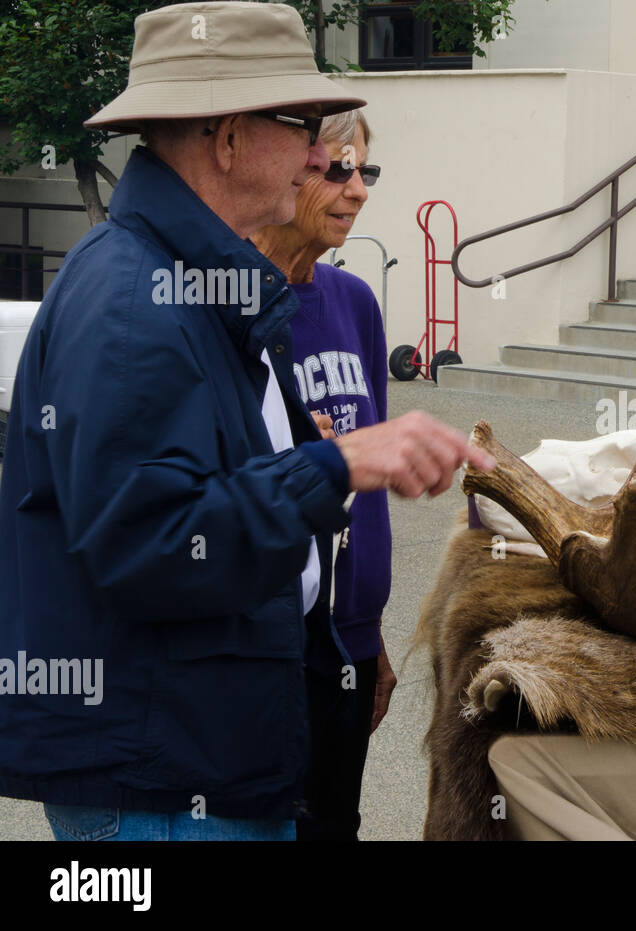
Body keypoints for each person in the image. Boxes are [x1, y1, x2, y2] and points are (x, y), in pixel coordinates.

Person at [0, 1, 492, 842]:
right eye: (301, 124)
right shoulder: (135, 300)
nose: (319, 153)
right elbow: (150, 542)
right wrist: (337, 465)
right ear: (227, 140)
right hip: (159, 790)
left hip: (192, 767)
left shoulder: (185, 281)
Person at [250, 109, 393, 841]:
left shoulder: (357, 304)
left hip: (353, 640)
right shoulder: (238, 310)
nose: (357, 189)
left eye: (364, 170)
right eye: (338, 169)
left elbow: (369, 492)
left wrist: (374, 640)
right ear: (288, 169)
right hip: (276, 644)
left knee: (338, 825)